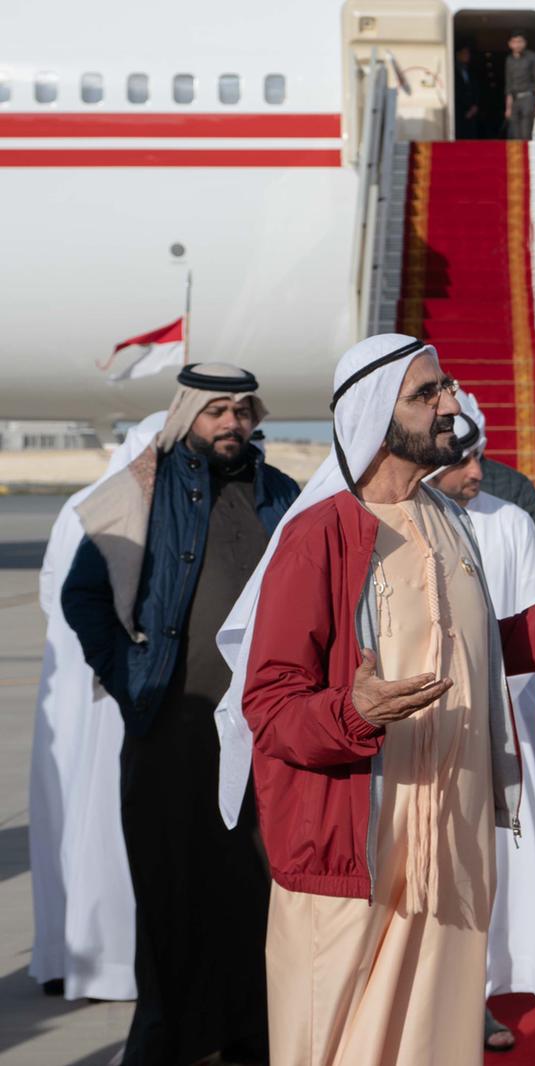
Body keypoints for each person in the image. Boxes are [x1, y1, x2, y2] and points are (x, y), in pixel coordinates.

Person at [213, 335, 535, 1066]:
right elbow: (271, 706)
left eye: (443, 388)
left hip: (452, 838)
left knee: (434, 1040)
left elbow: (465, 653)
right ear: (378, 417)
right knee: (336, 1041)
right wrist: (355, 714)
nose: (450, 403)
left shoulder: (449, 520)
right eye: (428, 394)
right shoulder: (320, 537)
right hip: (354, 849)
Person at [61, 365, 300, 1065]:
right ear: (188, 413)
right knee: (173, 896)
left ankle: (254, 1041)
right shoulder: (143, 489)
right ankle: (167, 1046)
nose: (232, 423)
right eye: (216, 410)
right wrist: (129, 675)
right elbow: (85, 597)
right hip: (171, 732)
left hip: (261, 734)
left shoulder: (278, 493)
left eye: (243, 410)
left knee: (257, 896)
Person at [28, 412, 164, 1005]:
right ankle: (114, 962)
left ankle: (63, 957)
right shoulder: (138, 508)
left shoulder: (79, 504)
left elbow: (48, 590)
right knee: (109, 821)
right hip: (115, 687)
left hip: (70, 694)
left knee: (65, 820)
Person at [427, 392, 535, 1054]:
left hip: (499, 731)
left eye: (479, 458)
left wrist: (486, 701)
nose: (477, 474)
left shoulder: (510, 524)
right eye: (463, 461)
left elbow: (526, 630)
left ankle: (483, 998)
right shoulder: (398, 524)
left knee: (490, 871)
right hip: (420, 737)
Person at [504, 33, 535, 140]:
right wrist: (508, 108)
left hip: (528, 98)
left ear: (525, 43)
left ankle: (526, 155)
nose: (517, 45)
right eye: (514, 42)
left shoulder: (533, 57)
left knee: (526, 132)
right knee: (515, 132)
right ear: (510, 44)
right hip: (515, 100)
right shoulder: (509, 60)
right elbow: (509, 84)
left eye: (520, 42)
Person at [454, 44, 483, 139]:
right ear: (458, 55)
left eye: (468, 53)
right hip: (458, 112)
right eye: (465, 53)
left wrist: (475, 105)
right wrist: (463, 111)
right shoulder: (453, 71)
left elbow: (476, 89)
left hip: (472, 110)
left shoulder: (471, 71)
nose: (467, 56)